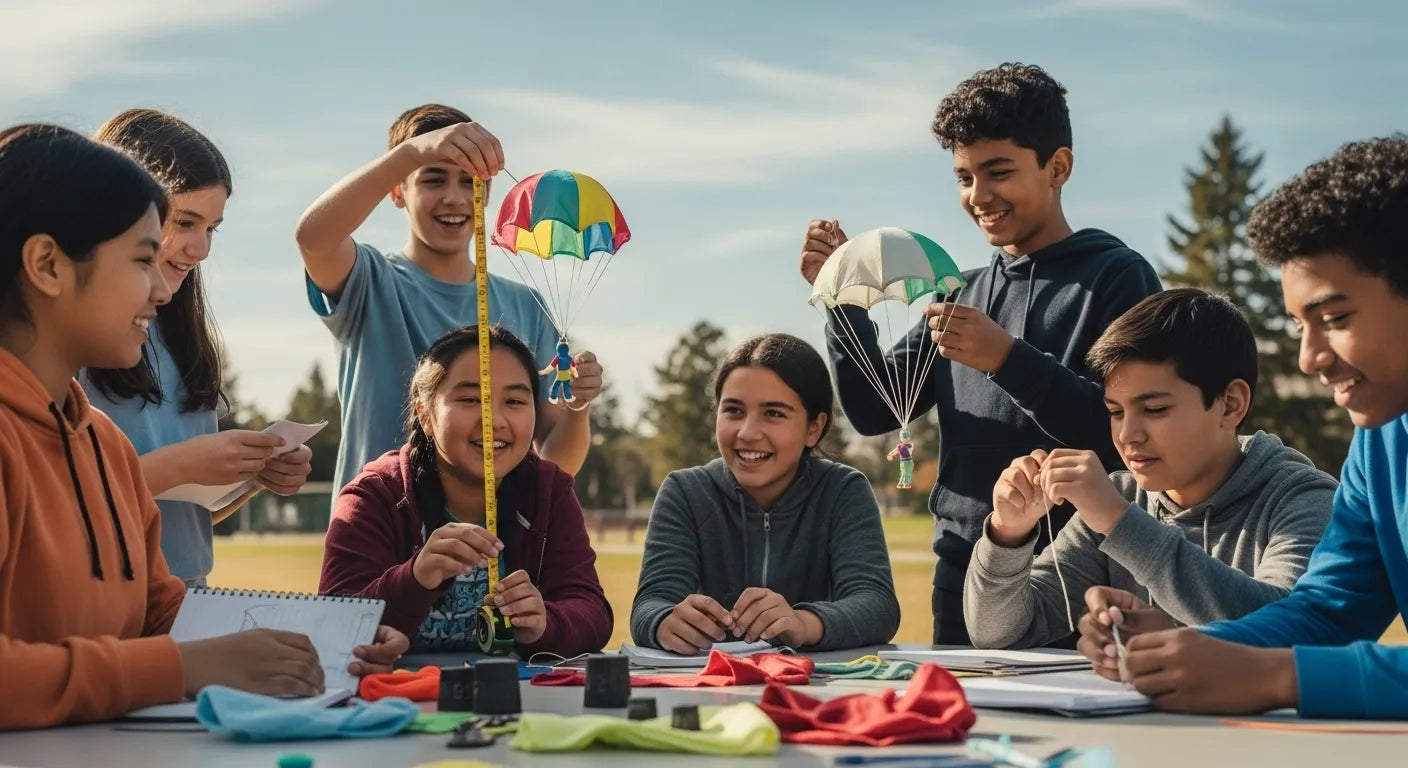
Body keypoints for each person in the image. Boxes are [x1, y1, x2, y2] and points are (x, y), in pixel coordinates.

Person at [0, 124, 405, 730]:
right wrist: (180, 667)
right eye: (143, 259)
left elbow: (161, 612)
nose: (163, 289)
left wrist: (328, 640)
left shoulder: (101, 443)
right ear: (47, 266)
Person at [800, 63, 1161, 642]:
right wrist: (843, 302)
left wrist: (1006, 359)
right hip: (962, 572)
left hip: (1077, 578)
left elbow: (1129, 434)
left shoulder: (1118, 277)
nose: (978, 195)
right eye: (964, 177)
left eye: (998, 172)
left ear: (1058, 167)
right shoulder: (959, 292)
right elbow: (873, 409)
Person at [1109, 135, 1408, 719]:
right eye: (1299, 326)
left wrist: (1279, 677)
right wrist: (1189, 650)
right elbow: (1327, 611)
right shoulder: (1380, 441)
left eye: (1334, 318)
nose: (1309, 358)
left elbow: (1296, 657)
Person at [965, 289, 1334, 650]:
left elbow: (1288, 632)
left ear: (1230, 404)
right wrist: (1007, 534)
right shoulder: (1122, 497)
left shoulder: (1305, 499)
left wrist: (1119, 523)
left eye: (1154, 409)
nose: (1128, 435)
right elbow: (998, 634)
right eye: (1115, 412)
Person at [295, 104, 602, 500]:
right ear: (397, 191)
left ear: (487, 192)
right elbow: (313, 238)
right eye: (433, 179)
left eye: (469, 182)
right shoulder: (369, 280)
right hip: (379, 526)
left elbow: (556, 462)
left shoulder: (526, 305)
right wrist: (412, 152)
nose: (454, 198)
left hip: (489, 535)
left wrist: (579, 405)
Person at [82, 108, 313, 587]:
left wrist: (251, 475)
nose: (202, 249)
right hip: (103, 597)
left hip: (189, 596)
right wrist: (181, 465)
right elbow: (58, 501)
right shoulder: (75, 336)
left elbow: (186, 521)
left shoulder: (180, 336)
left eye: (212, 228)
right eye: (185, 222)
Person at [319, 326, 612, 658]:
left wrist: (546, 623)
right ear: (425, 414)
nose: (493, 420)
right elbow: (332, 620)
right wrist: (414, 578)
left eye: (515, 401)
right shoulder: (375, 494)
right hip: (400, 688)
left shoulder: (548, 490)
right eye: (471, 400)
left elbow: (593, 613)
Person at [631, 333, 901, 654]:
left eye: (773, 413)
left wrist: (802, 623)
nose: (747, 433)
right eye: (733, 410)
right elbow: (650, 603)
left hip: (814, 680)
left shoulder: (843, 489)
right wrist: (663, 621)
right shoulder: (685, 491)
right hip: (714, 678)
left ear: (814, 428)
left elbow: (877, 604)